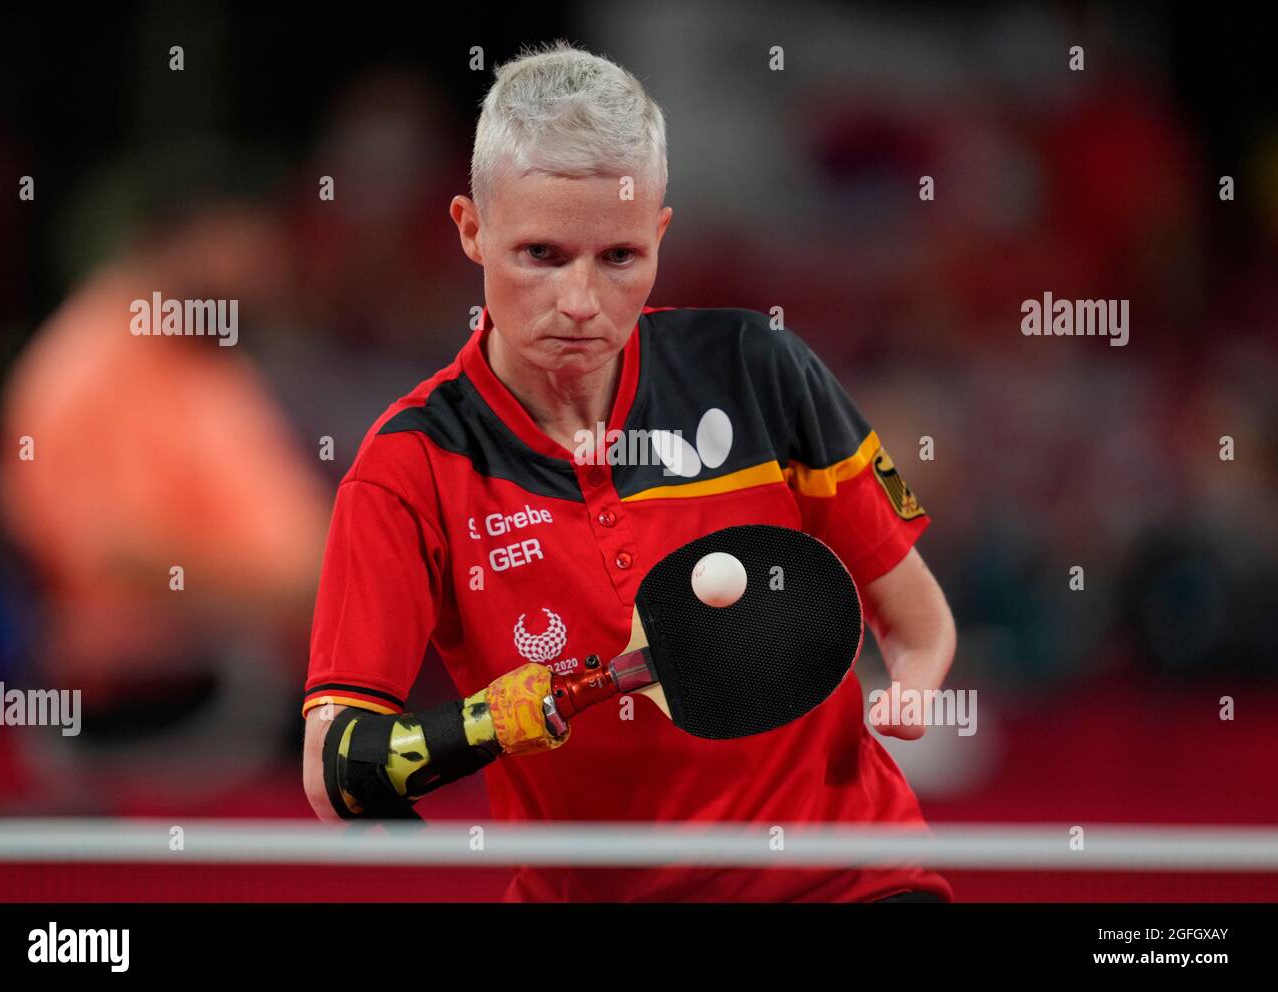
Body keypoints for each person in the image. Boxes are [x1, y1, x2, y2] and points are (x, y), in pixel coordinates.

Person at [303, 41, 956, 902]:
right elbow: (337, 770)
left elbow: (917, 617)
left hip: (846, 883)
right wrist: (487, 722)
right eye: (541, 255)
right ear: (471, 229)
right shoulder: (411, 466)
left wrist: (909, 690)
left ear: (659, 233)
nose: (580, 303)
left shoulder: (759, 371)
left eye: (618, 258)